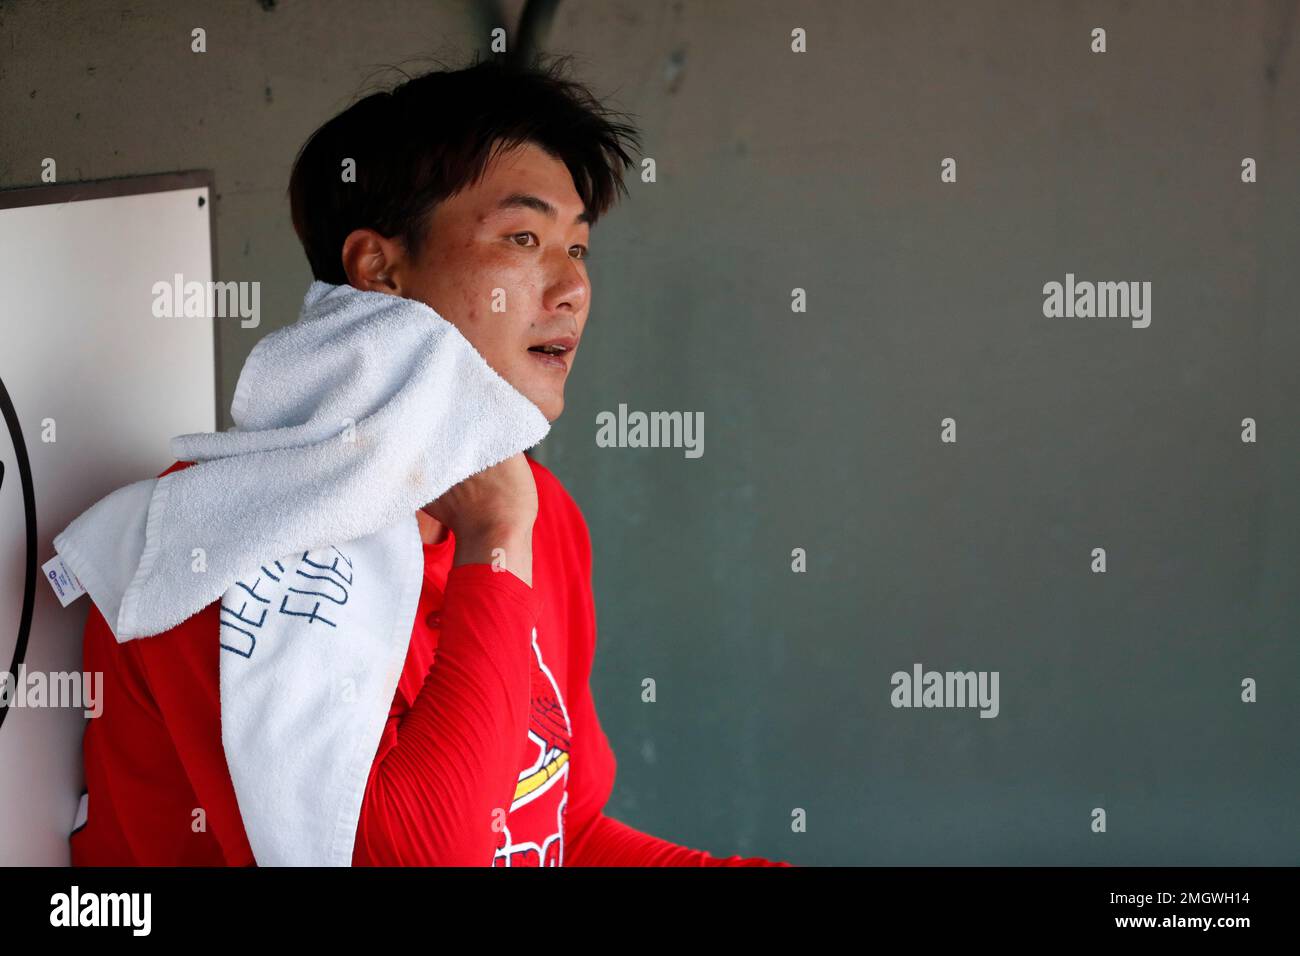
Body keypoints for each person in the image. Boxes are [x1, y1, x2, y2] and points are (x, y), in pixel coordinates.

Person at [71, 56, 792, 867]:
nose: (571, 288)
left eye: (579, 249)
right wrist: (494, 538)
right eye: (524, 238)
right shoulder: (222, 536)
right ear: (378, 268)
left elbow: (562, 837)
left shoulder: (539, 511)